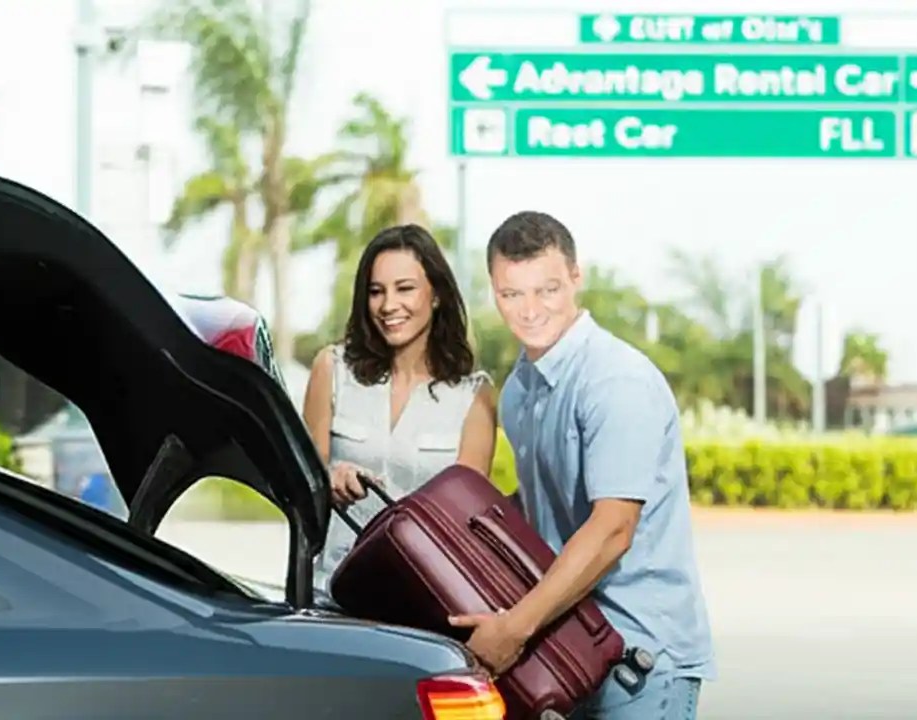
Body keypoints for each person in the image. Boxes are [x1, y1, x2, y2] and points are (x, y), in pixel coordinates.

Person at [447, 211, 715, 719]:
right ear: (494, 292)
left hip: (642, 664)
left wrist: (514, 628)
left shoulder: (615, 382)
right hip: (566, 650)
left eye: (546, 290)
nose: (530, 310)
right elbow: (541, 505)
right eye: (512, 294)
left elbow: (613, 527)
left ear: (576, 278)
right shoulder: (521, 389)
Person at [302, 223, 497, 593]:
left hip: (422, 604)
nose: (389, 305)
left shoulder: (474, 395)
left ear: (436, 294)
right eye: (376, 292)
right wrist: (329, 479)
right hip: (330, 596)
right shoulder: (332, 369)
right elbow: (299, 488)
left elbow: (466, 522)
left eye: (404, 288)